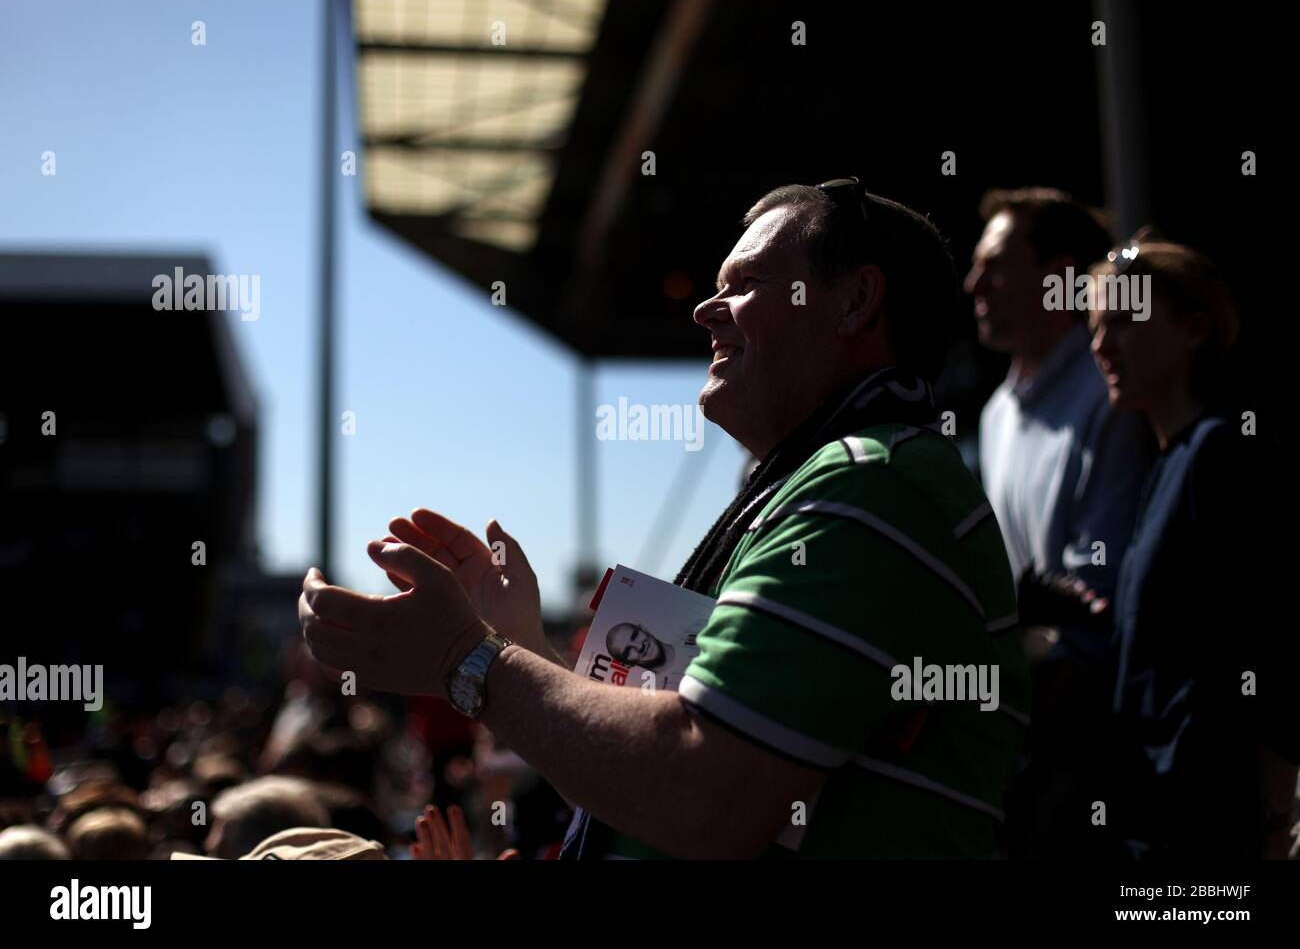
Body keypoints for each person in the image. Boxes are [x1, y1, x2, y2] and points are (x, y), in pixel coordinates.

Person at [298, 178, 1029, 858]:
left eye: (744, 286)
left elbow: (701, 786)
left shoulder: (873, 488)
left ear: (854, 301)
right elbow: (653, 760)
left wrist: (468, 661)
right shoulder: (840, 482)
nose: (705, 311)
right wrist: (512, 641)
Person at [1084, 240, 1298, 859]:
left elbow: (1271, 648)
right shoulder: (1171, 462)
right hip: (1158, 824)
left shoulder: (1219, 455)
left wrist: (1273, 824)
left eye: (1123, 320)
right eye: (1095, 326)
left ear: (1196, 327)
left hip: (1207, 830)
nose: (1101, 345)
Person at [965, 187, 1155, 856]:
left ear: (1058, 275)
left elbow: (1095, 609)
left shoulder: (1112, 399)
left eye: (994, 265)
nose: (973, 283)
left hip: (1095, 743)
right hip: (1024, 732)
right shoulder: (993, 414)